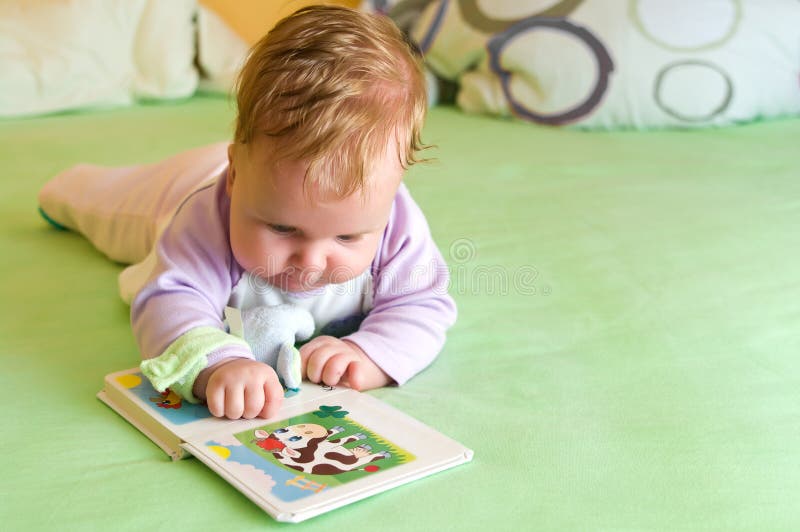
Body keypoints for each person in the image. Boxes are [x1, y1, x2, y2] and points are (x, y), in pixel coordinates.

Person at [38, 5, 456, 420]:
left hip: (255, 178)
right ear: (237, 174)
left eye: (346, 237)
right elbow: (167, 298)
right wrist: (219, 363)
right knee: (105, 207)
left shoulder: (396, 222)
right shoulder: (206, 221)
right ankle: (65, 188)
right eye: (282, 227)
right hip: (178, 189)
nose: (310, 261)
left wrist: (371, 352)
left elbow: (423, 304)